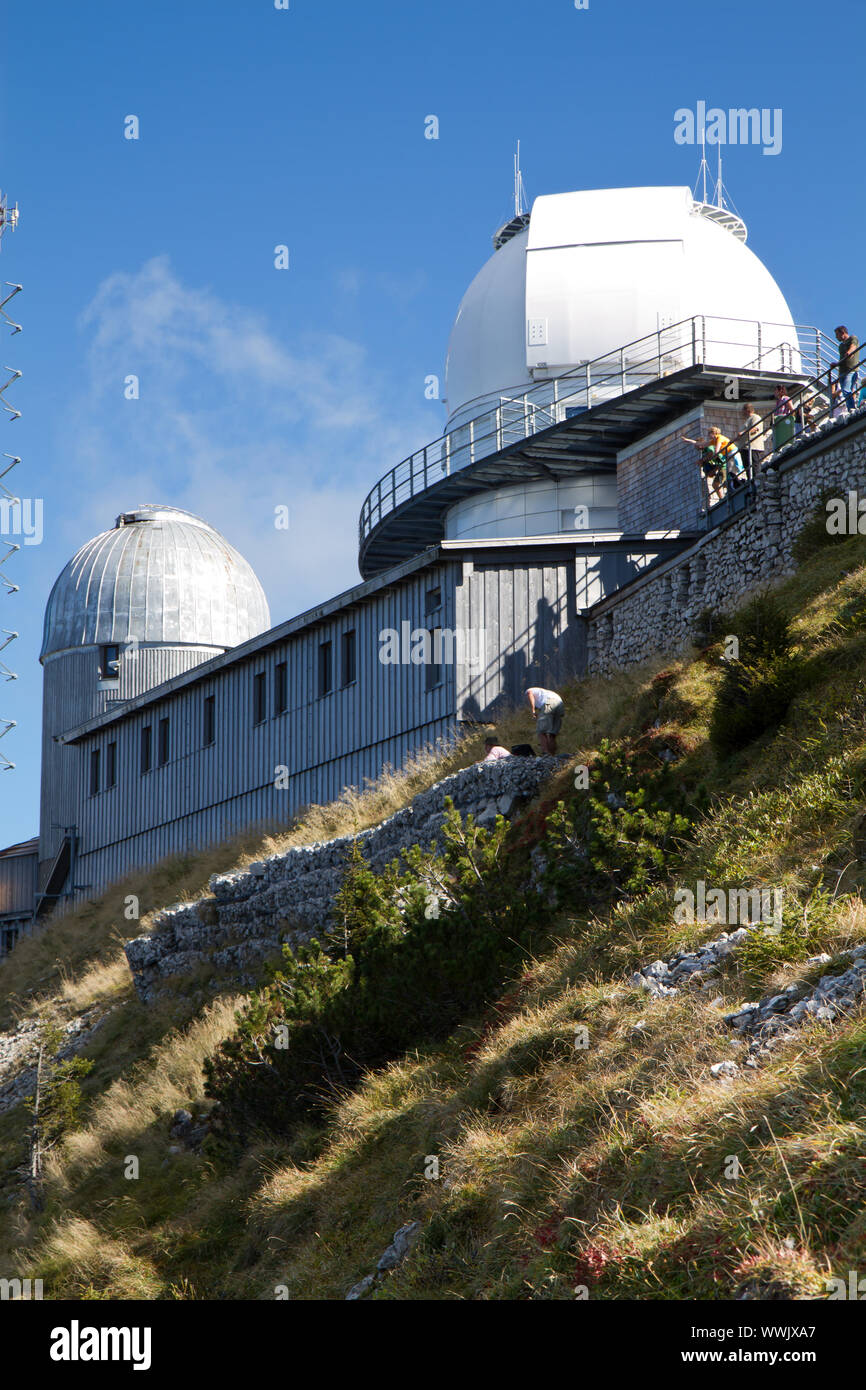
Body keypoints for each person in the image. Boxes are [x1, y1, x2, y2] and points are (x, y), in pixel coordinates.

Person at [525, 686, 564, 755]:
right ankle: (552, 754)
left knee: (541, 731)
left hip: (549, 702)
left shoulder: (530, 690)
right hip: (560, 703)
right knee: (552, 734)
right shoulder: (543, 693)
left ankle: (545, 753)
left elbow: (529, 694)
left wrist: (533, 710)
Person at [834, 325, 860, 413]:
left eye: (837, 334)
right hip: (842, 371)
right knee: (847, 391)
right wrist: (836, 364)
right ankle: (851, 409)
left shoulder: (853, 338)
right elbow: (841, 359)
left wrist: (849, 352)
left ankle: (851, 409)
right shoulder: (841, 346)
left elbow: (853, 346)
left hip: (851, 369)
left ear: (842, 333)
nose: (836, 337)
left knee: (846, 389)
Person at [741, 401, 767, 476]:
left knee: (755, 468)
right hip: (745, 448)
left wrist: (743, 433)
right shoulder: (748, 419)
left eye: (743, 410)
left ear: (747, 410)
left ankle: (756, 482)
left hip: (753, 447)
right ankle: (751, 483)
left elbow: (755, 428)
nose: (742, 413)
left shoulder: (755, 417)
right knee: (748, 469)